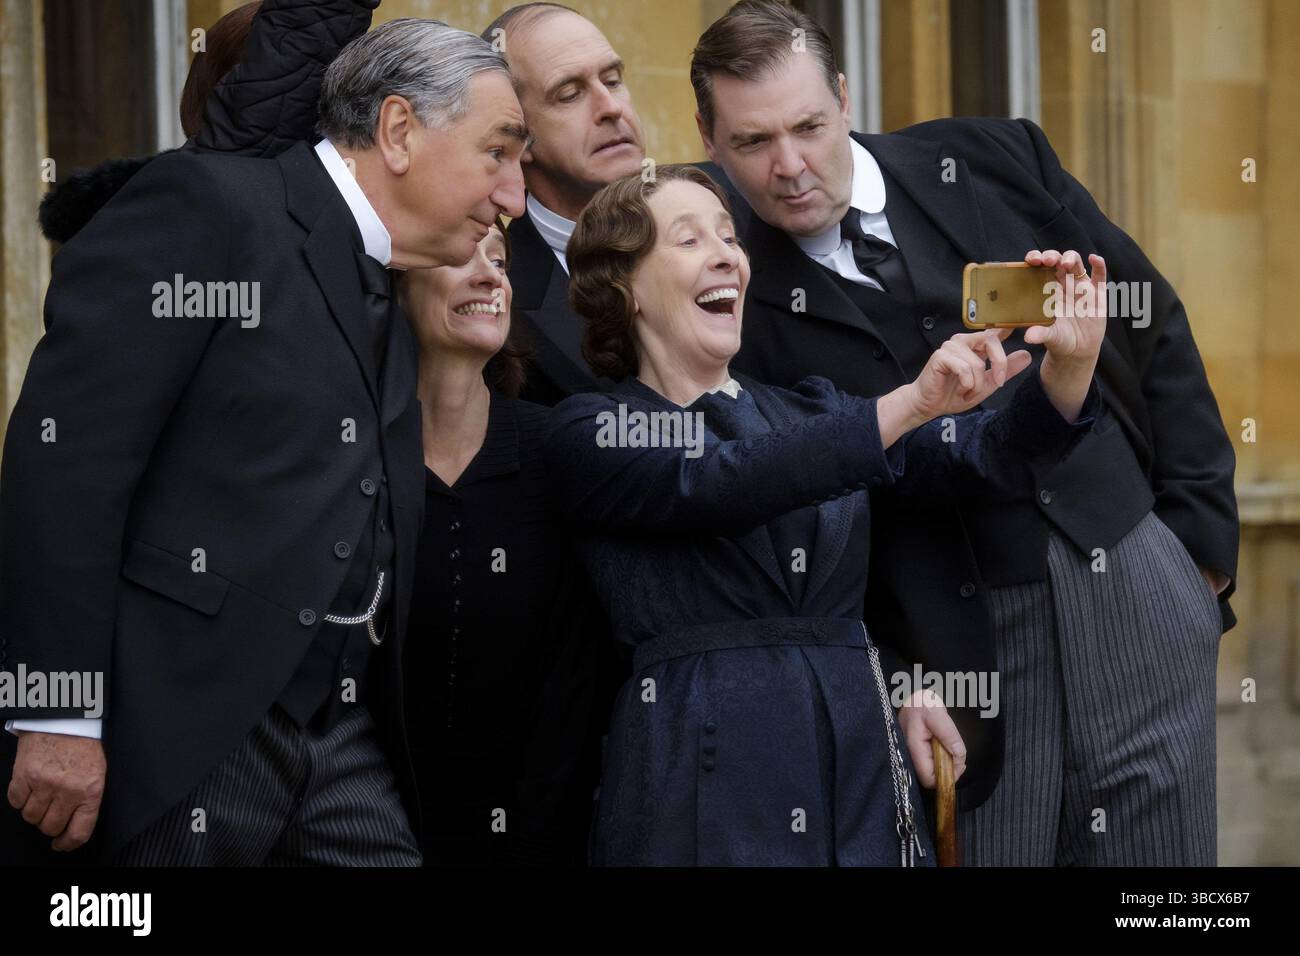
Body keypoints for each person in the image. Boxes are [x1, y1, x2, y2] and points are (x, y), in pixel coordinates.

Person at [689, 0, 1237, 865]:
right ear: (708, 139)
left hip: (1136, 577)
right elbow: (795, 510)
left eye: (809, 126)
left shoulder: (994, 158)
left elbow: (1152, 321)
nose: (790, 165)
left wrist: (1199, 553)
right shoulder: (724, 294)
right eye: (754, 143)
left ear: (844, 94)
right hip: (952, 645)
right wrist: (891, 675)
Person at [0, 17, 527, 865]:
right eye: (498, 153)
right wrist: (58, 715)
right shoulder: (207, 205)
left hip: (345, 742)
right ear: (397, 131)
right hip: (176, 738)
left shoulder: (395, 273)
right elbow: (65, 462)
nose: (513, 194)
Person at [545, 163, 1107, 865]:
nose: (727, 255)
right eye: (689, 241)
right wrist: (907, 405)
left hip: (858, 758)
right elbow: (722, 483)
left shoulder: (809, 408)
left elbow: (977, 456)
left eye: (729, 236)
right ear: (624, 289)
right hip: (700, 767)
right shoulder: (590, 428)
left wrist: (1069, 370)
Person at [396, 222, 605, 866]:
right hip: (369, 833)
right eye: (463, 253)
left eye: (502, 260)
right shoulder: (354, 461)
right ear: (393, 286)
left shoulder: (557, 454)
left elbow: (575, 687)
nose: (490, 275)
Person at [479, 3, 647, 408]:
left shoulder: (735, 215)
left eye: (613, 79)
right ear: (516, 138)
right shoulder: (493, 299)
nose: (611, 107)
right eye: (569, 94)